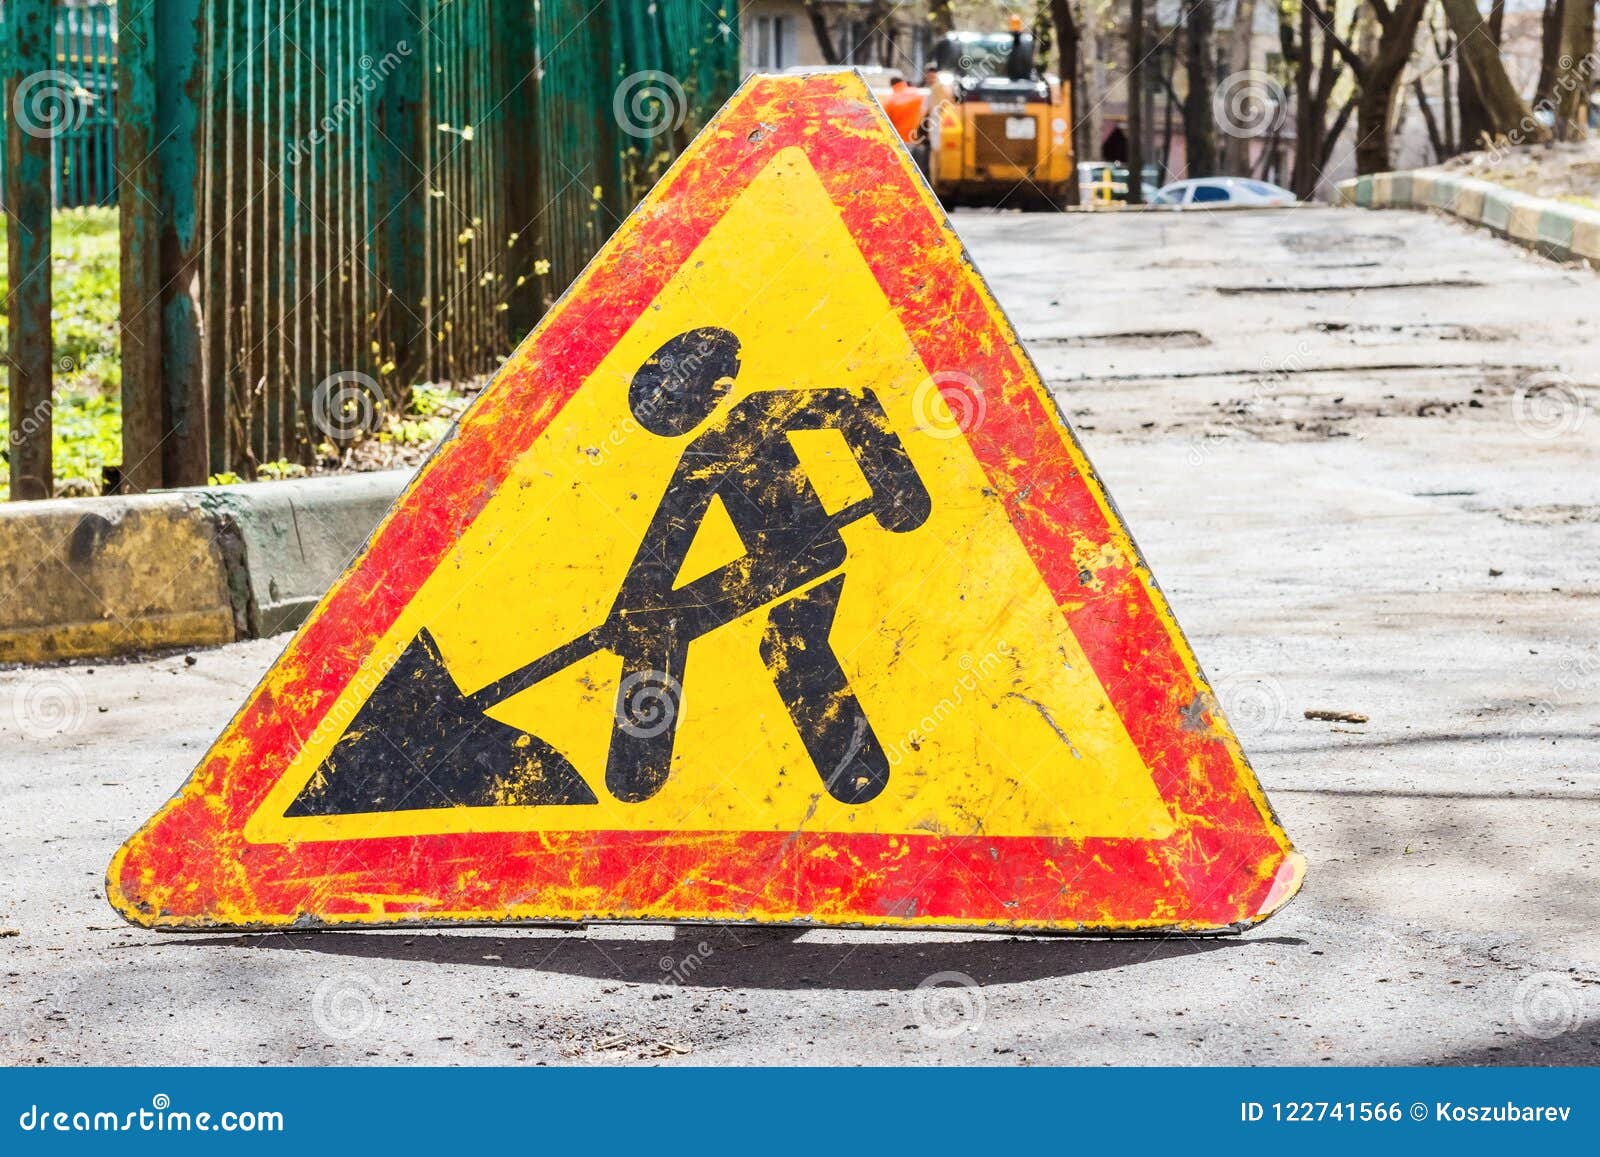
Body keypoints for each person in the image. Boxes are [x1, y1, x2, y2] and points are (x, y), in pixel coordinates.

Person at [602, 326, 932, 805]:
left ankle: (637, 775)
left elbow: (857, 407)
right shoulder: (701, 455)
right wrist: (629, 608)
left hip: (810, 555)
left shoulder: (760, 411)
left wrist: (898, 484)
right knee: (668, 625)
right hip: (766, 568)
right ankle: (637, 775)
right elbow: (664, 546)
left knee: (787, 641)